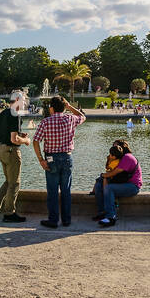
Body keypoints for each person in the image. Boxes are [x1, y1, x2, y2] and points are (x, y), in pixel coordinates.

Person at [32, 96, 83, 227]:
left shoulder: (45, 122)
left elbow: (36, 141)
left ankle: (53, 220)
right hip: (67, 157)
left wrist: (40, 160)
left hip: (51, 159)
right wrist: (69, 107)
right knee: (66, 190)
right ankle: (66, 220)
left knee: (53, 191)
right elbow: (83, 116)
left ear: (51, 108)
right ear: (63, 107)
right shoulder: (71, 119)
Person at [0, 90, 30, 222]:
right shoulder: (15, 114)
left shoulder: (3, 113)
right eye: (23, 100)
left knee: (8, 181)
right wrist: (26, 141)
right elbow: (14, 139)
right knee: (15, 183)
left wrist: (20, 135)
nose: (25, 103)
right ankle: (9, 213)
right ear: (18, 100)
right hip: (11, 151)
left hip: (1, 149)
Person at [95, 139, 142, 226]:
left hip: (133, 186)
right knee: (99, 184)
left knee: (109, 188)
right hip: (124, 183)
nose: (114, 148)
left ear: (122, 147)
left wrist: (104, 175)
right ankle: (102, 212)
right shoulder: (121, 158)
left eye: (116, 146)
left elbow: (114, 173)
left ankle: (111, 217)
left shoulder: (127, 158)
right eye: (113, 146)